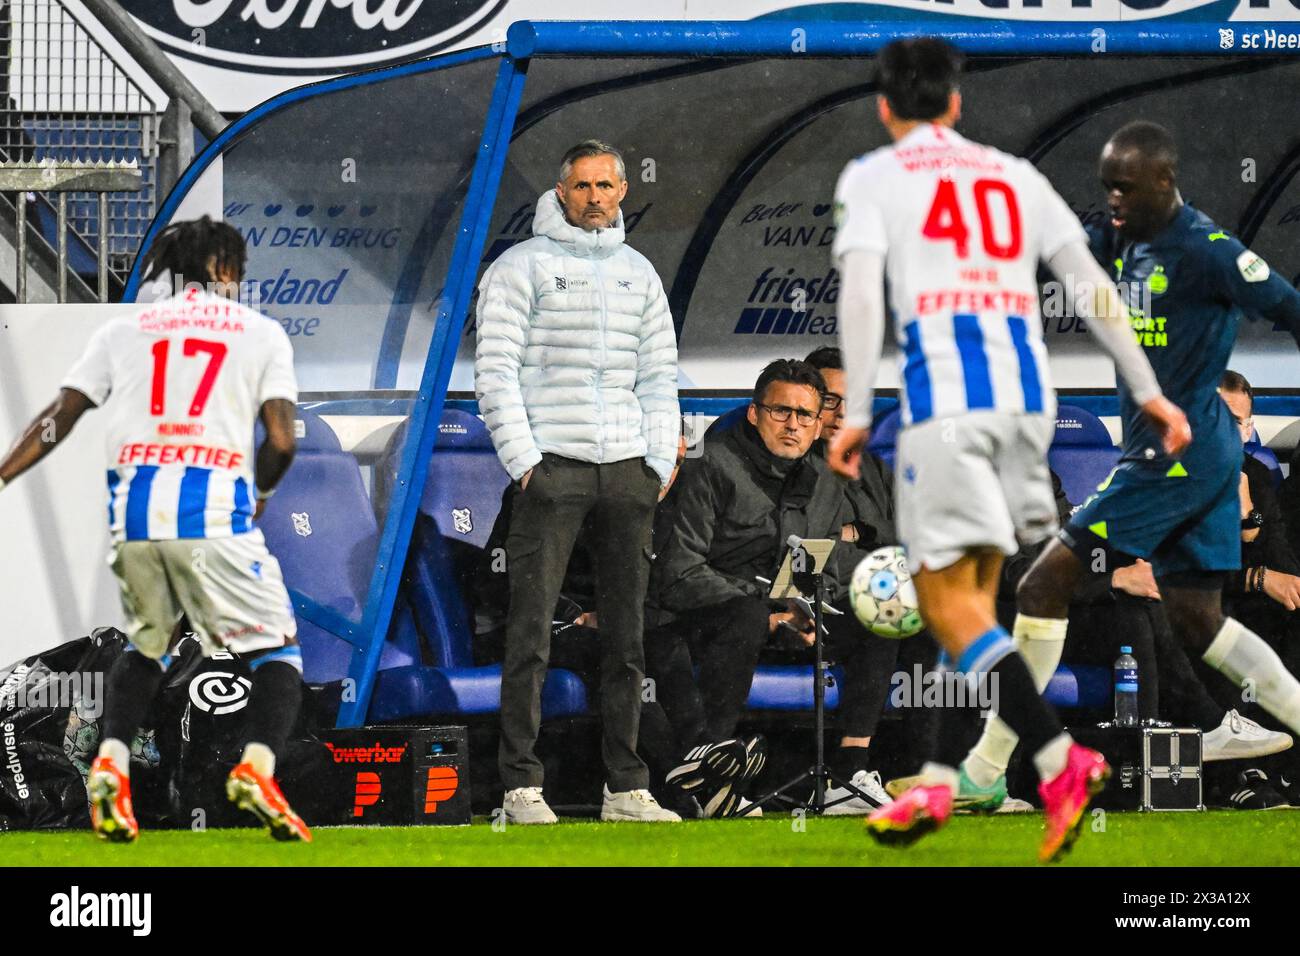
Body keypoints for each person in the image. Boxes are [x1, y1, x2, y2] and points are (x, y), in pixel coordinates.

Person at [826, 39, 1189, 861]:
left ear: (885, 107)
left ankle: (1059, 761)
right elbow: (1091, 284)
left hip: (948, 407)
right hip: (1029, 405)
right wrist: (1148, 389)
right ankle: (947, 778)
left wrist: (852, 410)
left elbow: (858, 299)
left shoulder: (873, 178)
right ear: (956, 103)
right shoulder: (1015, 176)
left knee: (942, 600)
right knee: (978, 599)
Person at [948, 121, 1300, 828]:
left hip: (1179, 454)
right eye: (1106, 185)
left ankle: (983, 773)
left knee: (1043, 580)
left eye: (1125, 188)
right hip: (1165, 449)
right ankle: (1228, 727)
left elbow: (1291, 308)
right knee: (1196, 616)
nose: (1112, 199)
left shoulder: (1212, 252)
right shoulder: (1123, 233)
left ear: (1164, 184)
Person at [0, 217, 310, 842]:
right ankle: (257, 765)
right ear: (226, 271)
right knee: (278, 651)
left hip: (140, 512)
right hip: (217, 510)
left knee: (150, 645)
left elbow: (59, 419)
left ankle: (109, 762)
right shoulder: (260, 335)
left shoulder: (125, 331)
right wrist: (263, 493)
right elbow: (280, 440)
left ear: (168, 271)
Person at [474, 139, 680, 824]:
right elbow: (495, 370)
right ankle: (518, 789)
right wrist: (526, 460)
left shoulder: (640, 273)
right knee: (529, 632)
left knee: (628, 637)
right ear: (561, 192)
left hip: (627, 470)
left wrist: (656, 461)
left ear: (624, 191)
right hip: (552, 467)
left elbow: (658, 376)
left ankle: (626, 787)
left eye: (606, 185)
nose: (595, 197)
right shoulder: (519, 266)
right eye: (582, 186)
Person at [646, 359, 897, 816]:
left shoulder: (825, 479)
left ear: (818, 422)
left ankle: (845, 775)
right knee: (744, 616)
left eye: (805, 416)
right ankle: (716, 772)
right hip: (705, 619)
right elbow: (681, 573)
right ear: (754, 413)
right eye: (781, 412)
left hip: (782, 613)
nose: (793, 425)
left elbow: (817, 560)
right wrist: (767, 610)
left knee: (878, 616)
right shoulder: (713, 464)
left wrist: (808, 606)